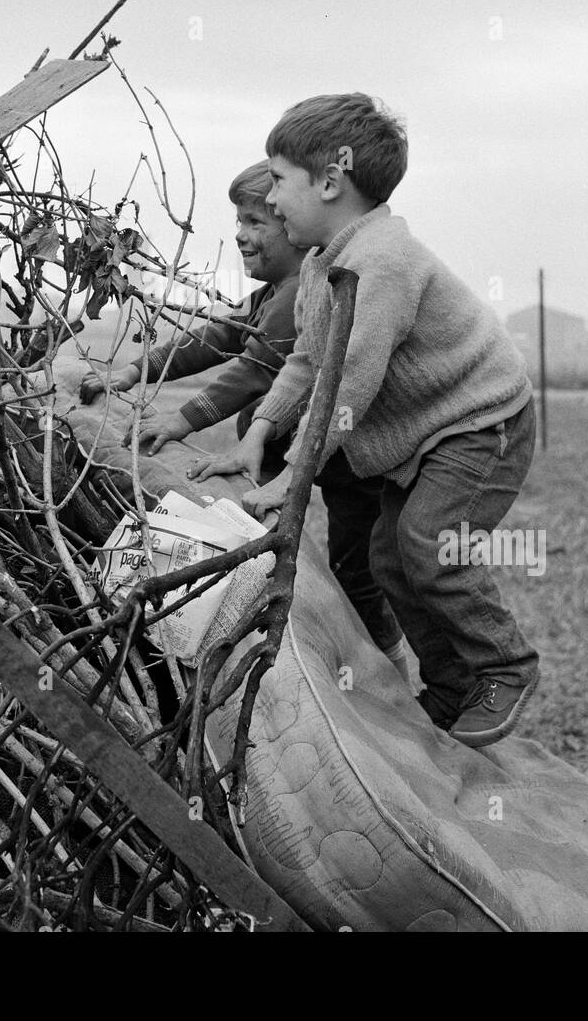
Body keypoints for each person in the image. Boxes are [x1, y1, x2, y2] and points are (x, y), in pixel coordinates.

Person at [191, 93, 540, 748]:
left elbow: (347, 385)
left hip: (481, 422)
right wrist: (261, 434)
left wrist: (291, 478)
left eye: (280, 180)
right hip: (433, 430)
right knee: (387, 556)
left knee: (430, 546)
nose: (273, 195)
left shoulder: (381, 261)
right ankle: (449, 687)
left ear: (329, 182)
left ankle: (503, 667)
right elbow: (305, 357)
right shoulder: (325, 260)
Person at [79, 160, 302, 483]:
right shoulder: (269, 293)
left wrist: (182, 420)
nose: (240, 236)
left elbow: (253, 371)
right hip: (275, 448)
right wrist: (136, 371)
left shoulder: (295, 293)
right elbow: (217, 337)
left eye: (255, 222)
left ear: (295, 225)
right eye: (239, 222)